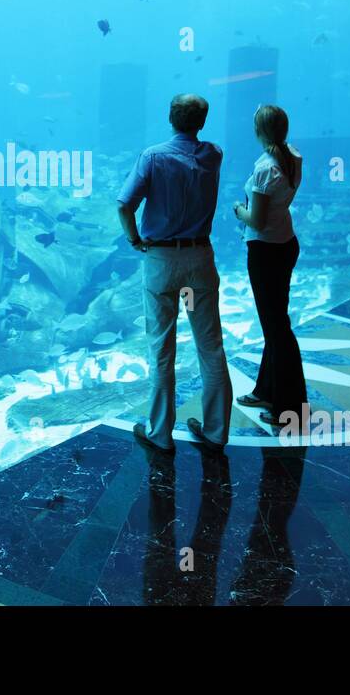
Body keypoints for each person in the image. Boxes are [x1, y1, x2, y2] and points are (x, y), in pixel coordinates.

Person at [117, 94, 233, 453]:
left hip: (162, 261)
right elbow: (202, 151)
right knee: (210, 346)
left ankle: (160, 434)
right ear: (202, 121)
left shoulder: (153, 156)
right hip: (199, 260)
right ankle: (215, 431)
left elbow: (125, 204)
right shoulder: (213, 154)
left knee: (162, 348)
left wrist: (134, 239)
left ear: (169, 118)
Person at [232, 104, 306, 428]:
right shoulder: (293, 156)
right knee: (274, 325)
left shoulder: (265, 167)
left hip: (265, 251)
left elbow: (257, 220)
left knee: (278, 329)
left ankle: (290, 408)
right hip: (286, 244)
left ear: (259, 131)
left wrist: (238, 210)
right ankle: (267, 389)